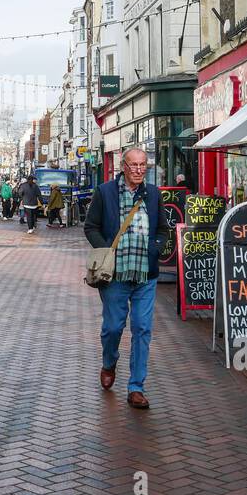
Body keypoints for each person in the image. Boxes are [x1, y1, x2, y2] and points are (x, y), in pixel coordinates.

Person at [84, 147, 170, 410]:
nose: (138, 170)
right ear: (123, 166)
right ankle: (109, 362)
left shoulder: (153, 194)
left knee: (142, 328)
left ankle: (136, 387)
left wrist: (155, 247)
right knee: (113, 328)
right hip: (115, 277)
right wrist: (108, 248)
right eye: (133, 165)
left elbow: (163, 229)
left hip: (145, 275)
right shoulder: (105, 192)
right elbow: (91, 227)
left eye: (142, 165)